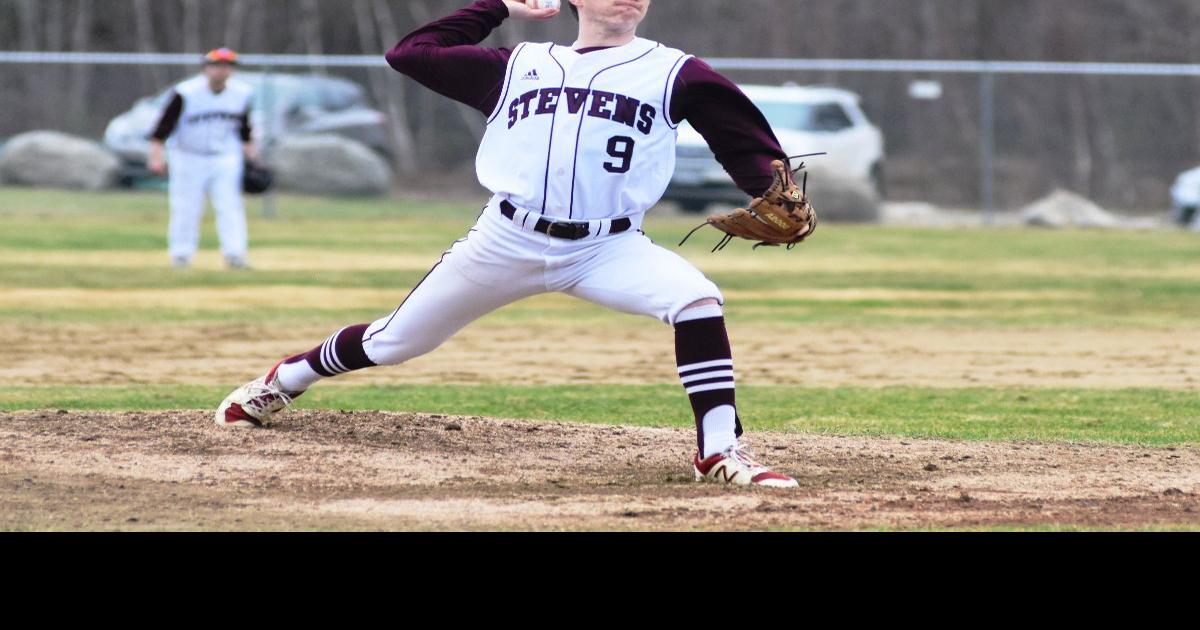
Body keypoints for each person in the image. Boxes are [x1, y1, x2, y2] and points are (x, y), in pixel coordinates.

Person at [215, 0, 802, 487]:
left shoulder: (676, 72)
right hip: (505, 239)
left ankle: (719, 449)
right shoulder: (517, 64)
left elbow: (742, 142)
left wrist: (771, 189)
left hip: (609, 246)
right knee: (395, 341)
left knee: (695, 298)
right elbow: (409, 55)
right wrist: (496, 7)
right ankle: (287, 379)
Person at [148, 47, 258, 269]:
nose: (221, 70)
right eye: (216, 65)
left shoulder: (241, 93)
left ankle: (235, 254)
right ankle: (181, 255)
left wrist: (253, 158)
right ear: (206, 68)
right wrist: (156, 156)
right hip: (188, 156)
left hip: (225, 157)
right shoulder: (186, 92)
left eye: (227, 66)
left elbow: (245, 130)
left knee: (230, 207)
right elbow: (161, 129)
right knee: (185, 207)